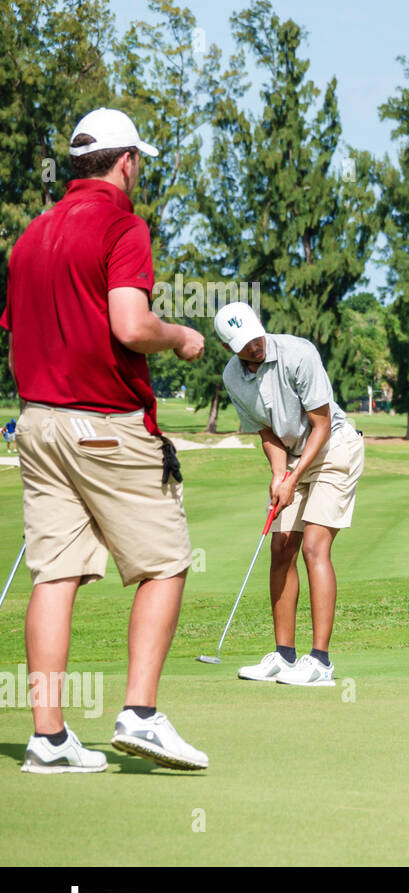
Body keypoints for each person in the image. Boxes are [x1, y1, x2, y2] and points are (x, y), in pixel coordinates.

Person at [1, 108, 209, 773]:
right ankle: (140, 715)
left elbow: (19, 337)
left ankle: (49, 737)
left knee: (56, 573)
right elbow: (129, 324)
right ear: (127, 162)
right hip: (105, 424)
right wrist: (178, 336)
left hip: (36, 423)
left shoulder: (30, 237)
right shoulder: (124, 224)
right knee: (167, 561)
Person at [214, 302, 364, 687]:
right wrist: (279, 473)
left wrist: (294, 475)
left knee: (315, 547)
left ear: (260, 324)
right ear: (229, 347)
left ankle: (321, 662)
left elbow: (322, 423)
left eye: (254, 336)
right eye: (243, 344)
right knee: (281, 547)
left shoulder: (299, 353)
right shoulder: (233, 376)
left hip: (333, 449)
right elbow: (266, 431)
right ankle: (283, 657)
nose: (254, 347)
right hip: (293, 456)